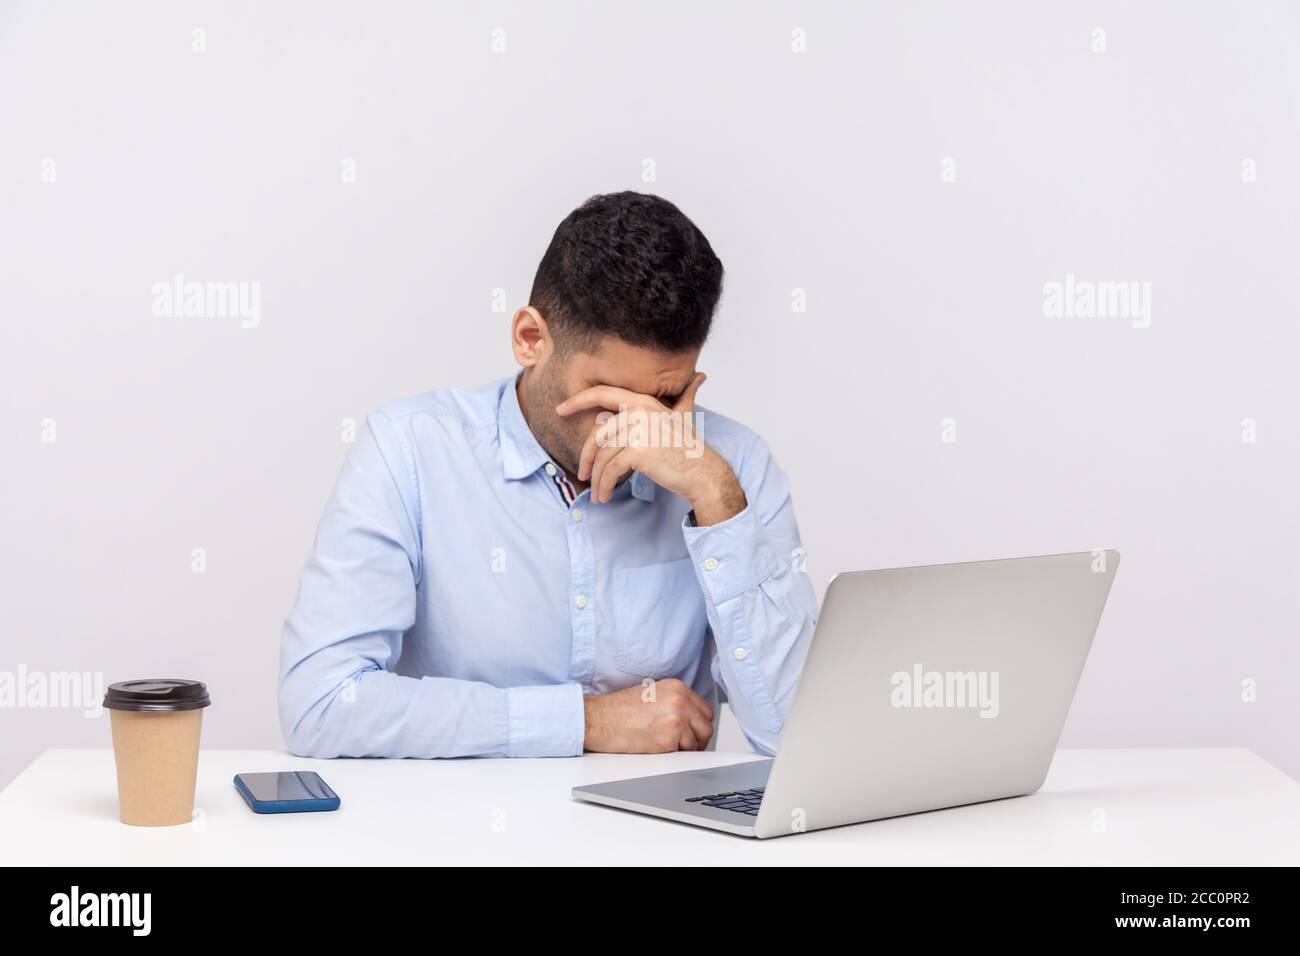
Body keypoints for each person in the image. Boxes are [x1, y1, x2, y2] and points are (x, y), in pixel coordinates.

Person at [278, 192, 817, 759]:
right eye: (610, 398)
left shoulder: (733, 466)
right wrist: (585, 723)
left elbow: (797, 741)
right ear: (530, 339)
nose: (640, 428)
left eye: (665, 398)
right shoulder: (409, 451)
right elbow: (321, 704)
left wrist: (716, 500)